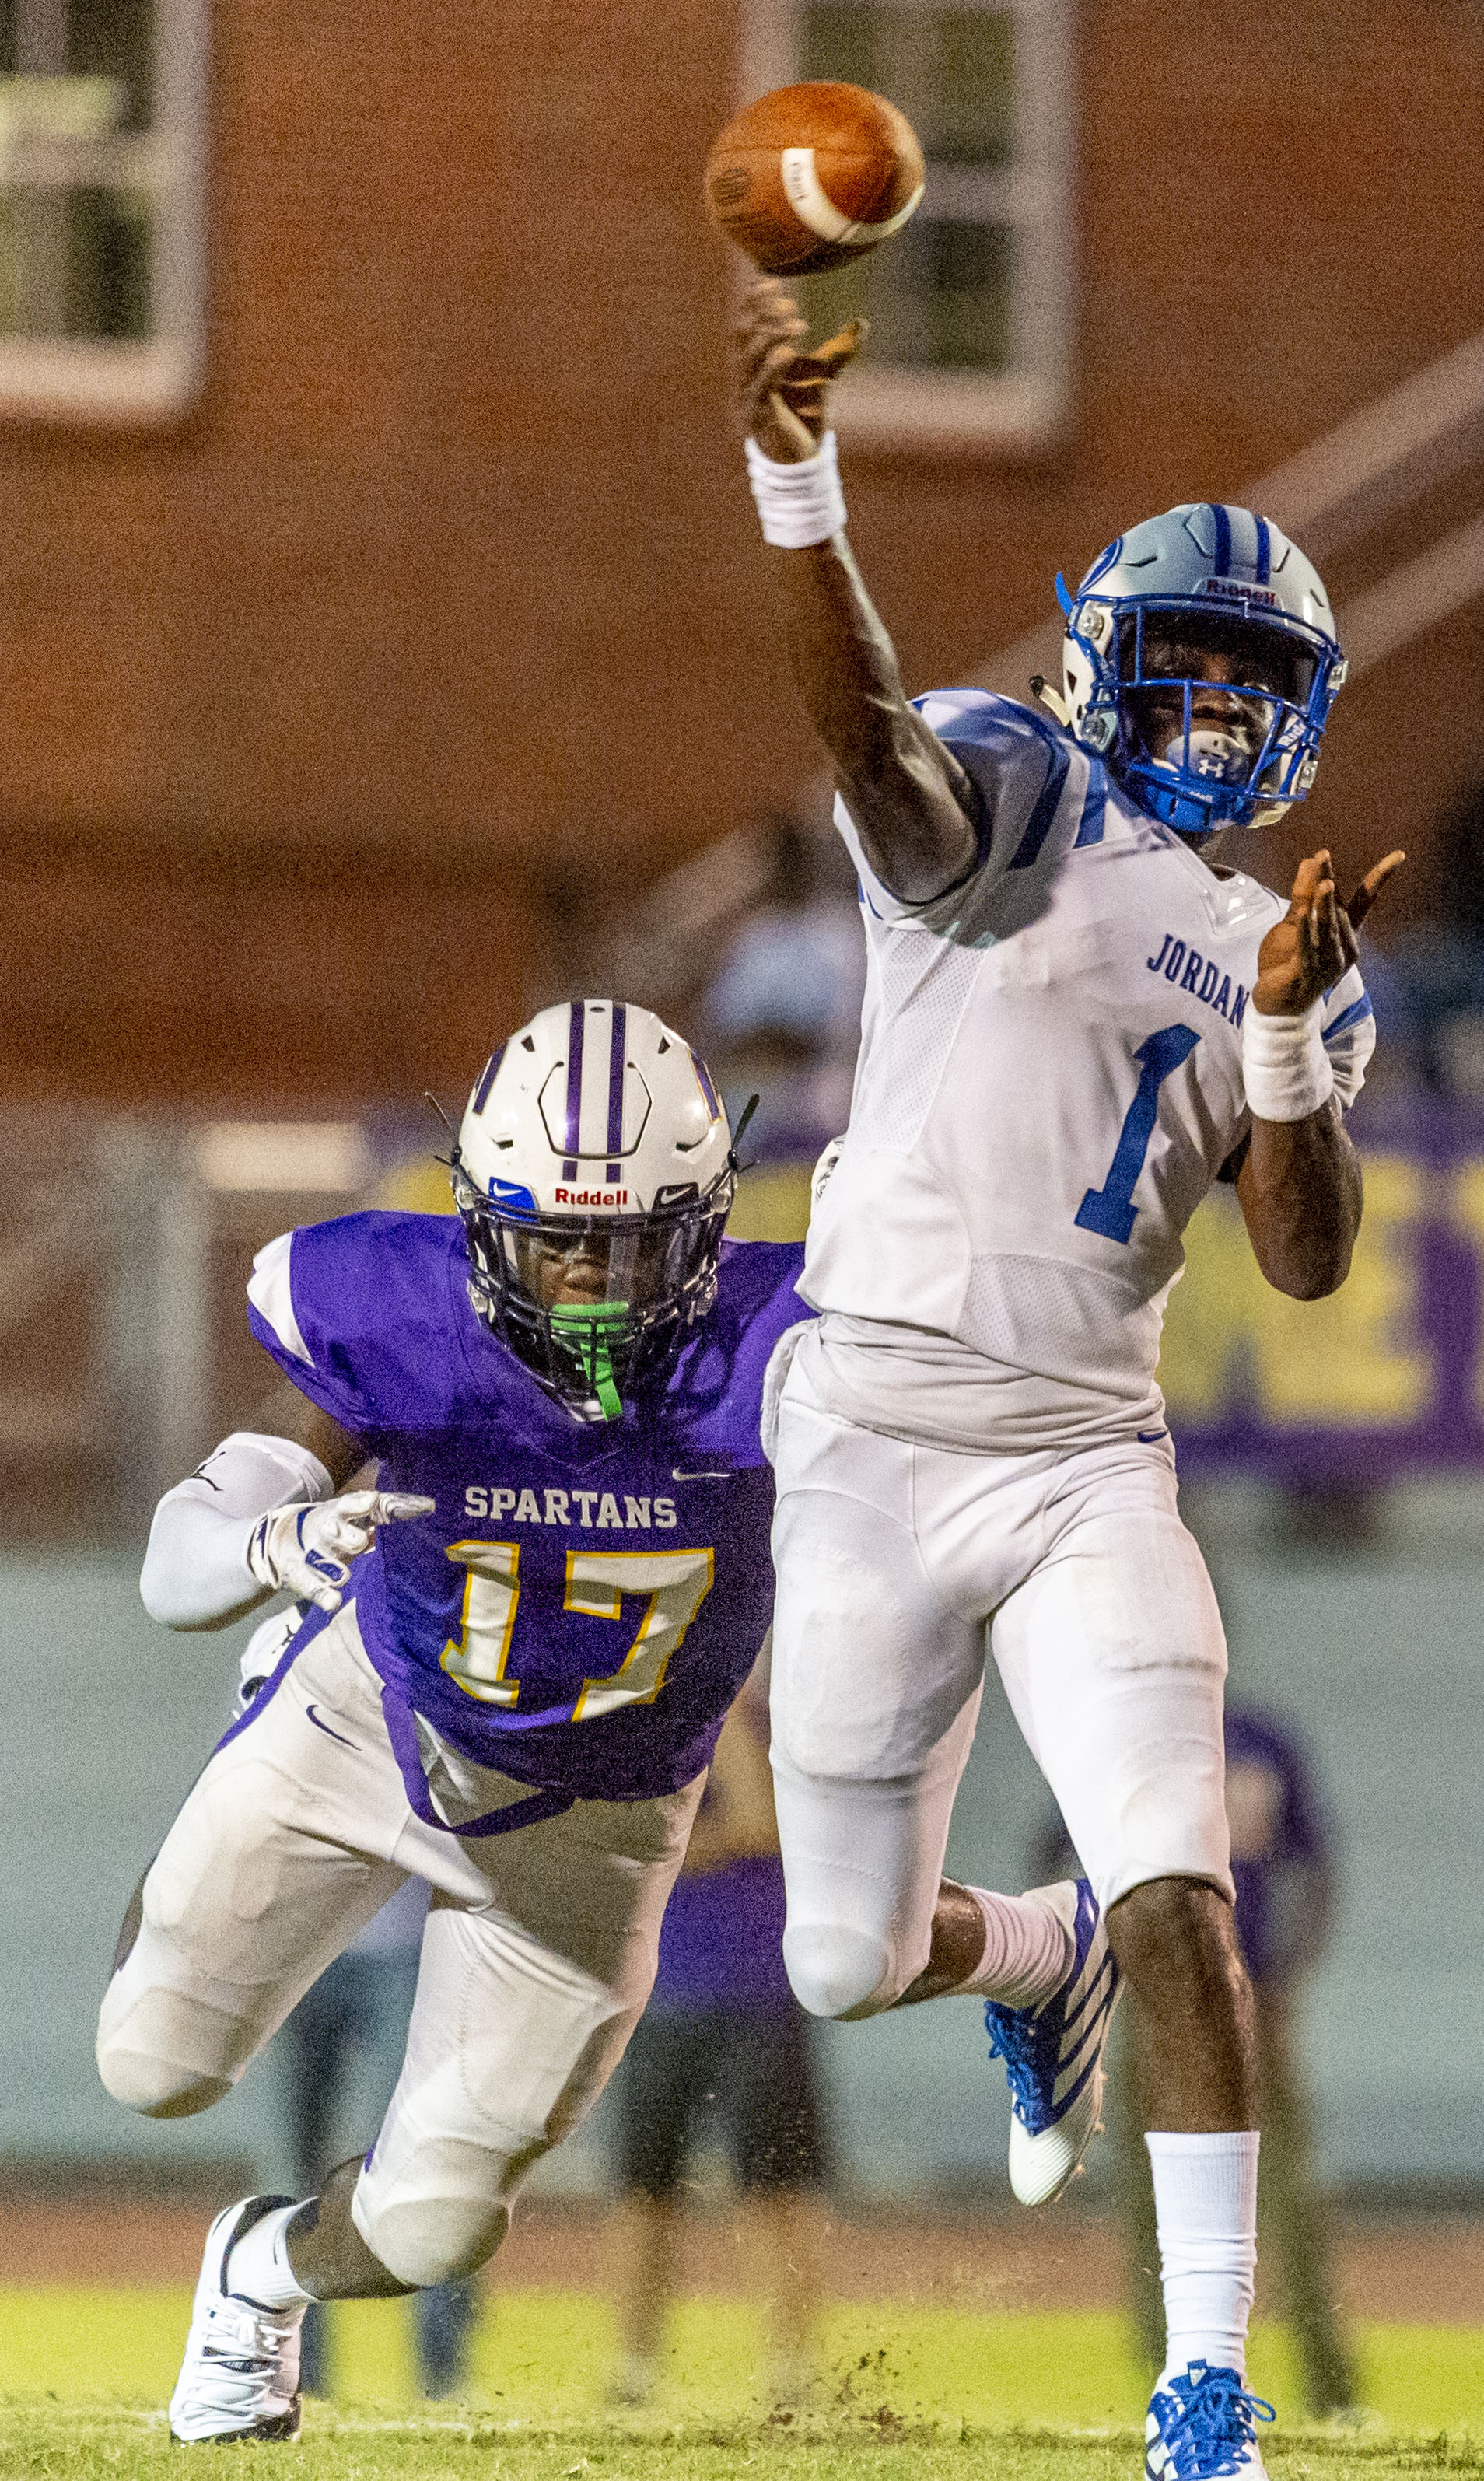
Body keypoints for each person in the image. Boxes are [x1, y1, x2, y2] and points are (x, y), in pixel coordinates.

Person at [733, 278, 1403, 2481]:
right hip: (865, 1428)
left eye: (1250, 682)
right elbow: (868, 751)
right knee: (836, 1956)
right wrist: (797, 482)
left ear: (1297, 719)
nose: (1212, 709)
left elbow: (1303, 1254)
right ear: (1104, 663)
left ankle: (1203, 2386)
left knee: (1179, 1883)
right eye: (1184, 665)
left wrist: (1285, 1031)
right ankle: (1027, 1957)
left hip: (1080, 1460)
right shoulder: (1007, 781)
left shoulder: (1284, 946)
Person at [96, 997, 1089, 2444]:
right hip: (377, 1709)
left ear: (705, 1225)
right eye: (553, 1238)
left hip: (602, 1820)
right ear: (478, 1219)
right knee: (149, 2064)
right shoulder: (394, 1310)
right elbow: (175, 1558)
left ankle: (258, 2270)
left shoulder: (793, 1339)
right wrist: (266, 1545)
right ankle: (272, 1697)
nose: (587, 1281)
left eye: (631, 1244)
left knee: (434, 2224)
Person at [1038, 1706, 1356, 2416]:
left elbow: (1315, 1870)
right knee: (1149, 2187)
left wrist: (1289, 1976)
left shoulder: (1264, 1742)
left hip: (1251, 1999)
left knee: (1288, 2193)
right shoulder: (1126, 1738)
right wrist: (1093, 1967)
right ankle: (1168, 2375)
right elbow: (1055, 1855)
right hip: (1153, 1999)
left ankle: (1330, 2387)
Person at [236, 1607, 481, 2402]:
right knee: (293, 2165)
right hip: (305, 1950)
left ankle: (442, 2374)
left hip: (409, 1946)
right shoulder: (282, 1643)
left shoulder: (432, 1635)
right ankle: (297, 2369)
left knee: (426, 2159)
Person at [608, 1652, 827, 2406]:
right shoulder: (651, 1726)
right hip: (662, 1991)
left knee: (774, 2190)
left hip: (758, 1991)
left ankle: (792, 2372)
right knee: (645, 2191)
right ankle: (633, 2369)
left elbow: (760, 1820)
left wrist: (722, 1707)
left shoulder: (768, 1724)